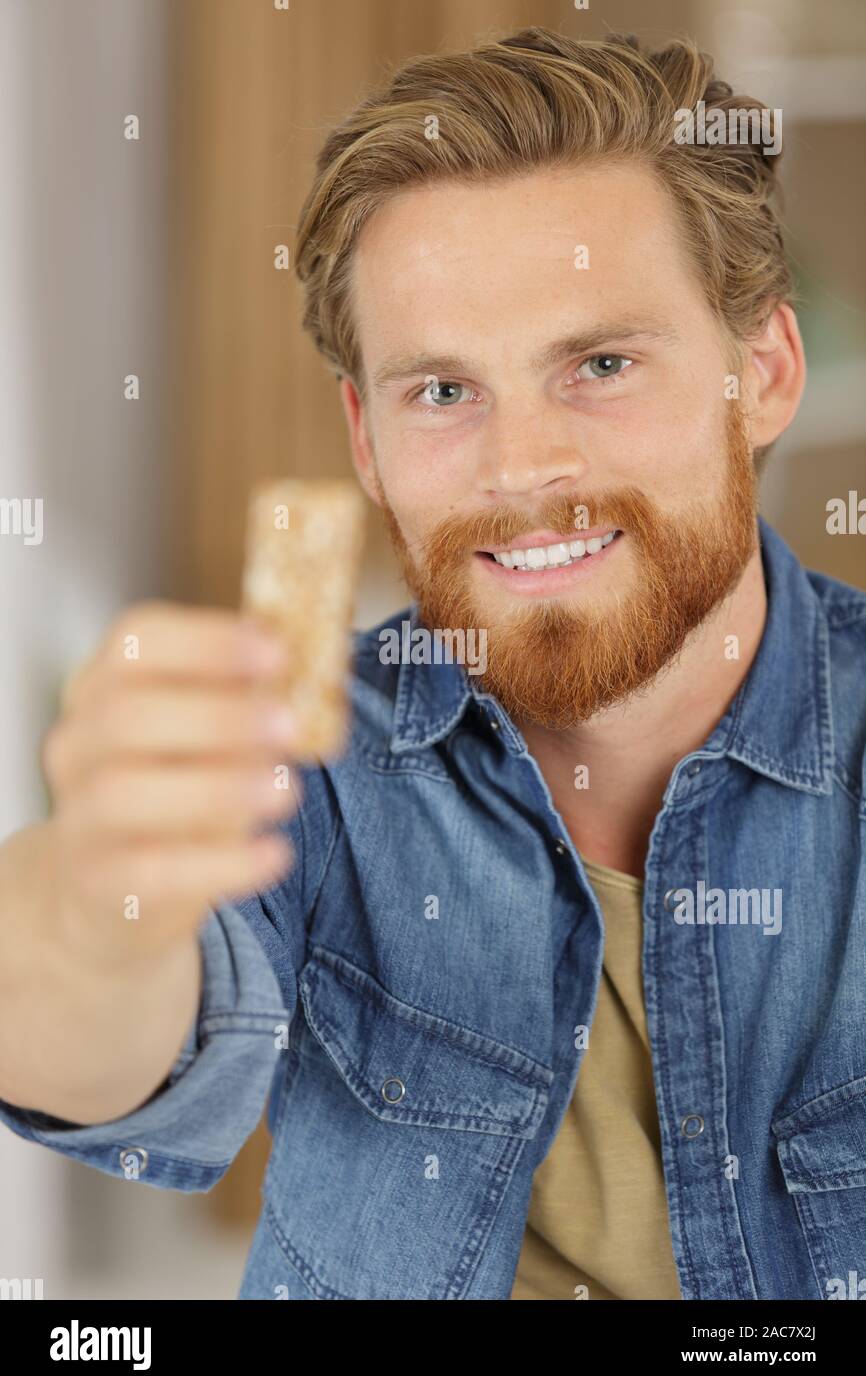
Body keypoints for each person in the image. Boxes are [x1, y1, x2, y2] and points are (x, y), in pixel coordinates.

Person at [2, 26, 865, 1302]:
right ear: (364, 438)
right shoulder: (307, 759)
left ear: (765, 372)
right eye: (442, 393)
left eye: (602, 364)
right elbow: (78, 1048)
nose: (521, 471)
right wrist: (93, 900)